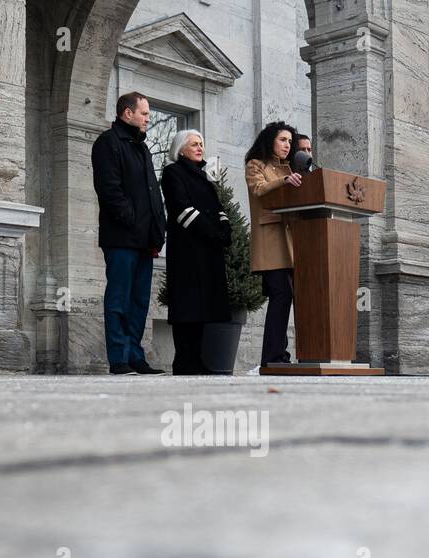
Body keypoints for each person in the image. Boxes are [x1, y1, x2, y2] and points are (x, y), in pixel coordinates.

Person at [91, 92, 168, 375]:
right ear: (127, 114)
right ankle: (119, 358)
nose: (148, 118)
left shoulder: (142, 147)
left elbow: (151, 193)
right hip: (122, 237)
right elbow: (110, 191)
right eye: (144, 113)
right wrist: (133, 221)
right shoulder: (108, 143)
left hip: (145, 239)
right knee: (119, 298)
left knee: (139, 302)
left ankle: (136, 356)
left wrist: (157, 229)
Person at [160, 131, 233, 375]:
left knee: (203, 307)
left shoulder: (205, 177)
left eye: (202, 144)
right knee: (187, 306)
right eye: (194, 144)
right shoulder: (173, 173)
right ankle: (184, 361)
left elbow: (219, 208)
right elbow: (182, 210)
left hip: (207, 252)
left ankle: (197, 360)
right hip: (187, 252)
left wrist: (225, 229)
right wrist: (213, 233)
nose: (200, 147)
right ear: (181, 149)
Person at [244, 122, 301, 368]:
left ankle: (281, 355)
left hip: (292, 241)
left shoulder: (290, 168)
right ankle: (273, 357)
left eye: (290, 141)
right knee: (282, 294)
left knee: (288, 296)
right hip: (270, 241)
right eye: (282, 140)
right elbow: (259, 189)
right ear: (270, 140)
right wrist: (285, 180)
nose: (287, 145)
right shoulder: (256, 164)